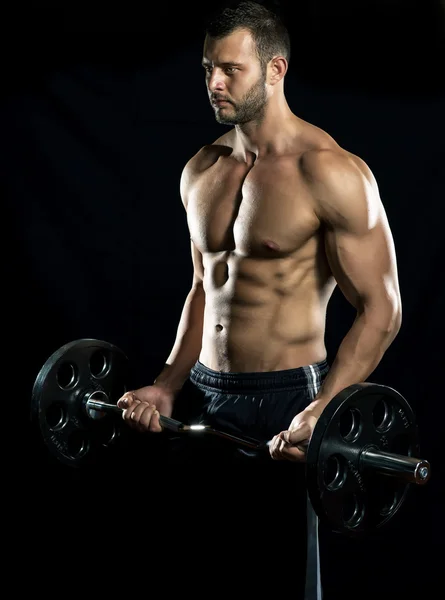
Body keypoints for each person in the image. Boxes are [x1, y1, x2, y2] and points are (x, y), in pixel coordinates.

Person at [116, 2, 401, 598]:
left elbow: (381, 310)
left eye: (230, 69)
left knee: (281, 578)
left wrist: (325, 406)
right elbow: (203, 288)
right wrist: (168, 383)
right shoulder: (201, 169)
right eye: (206, 68)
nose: (214, 83)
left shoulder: (331, 172)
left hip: (287, 402)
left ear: (275, 69)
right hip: (202, 394)